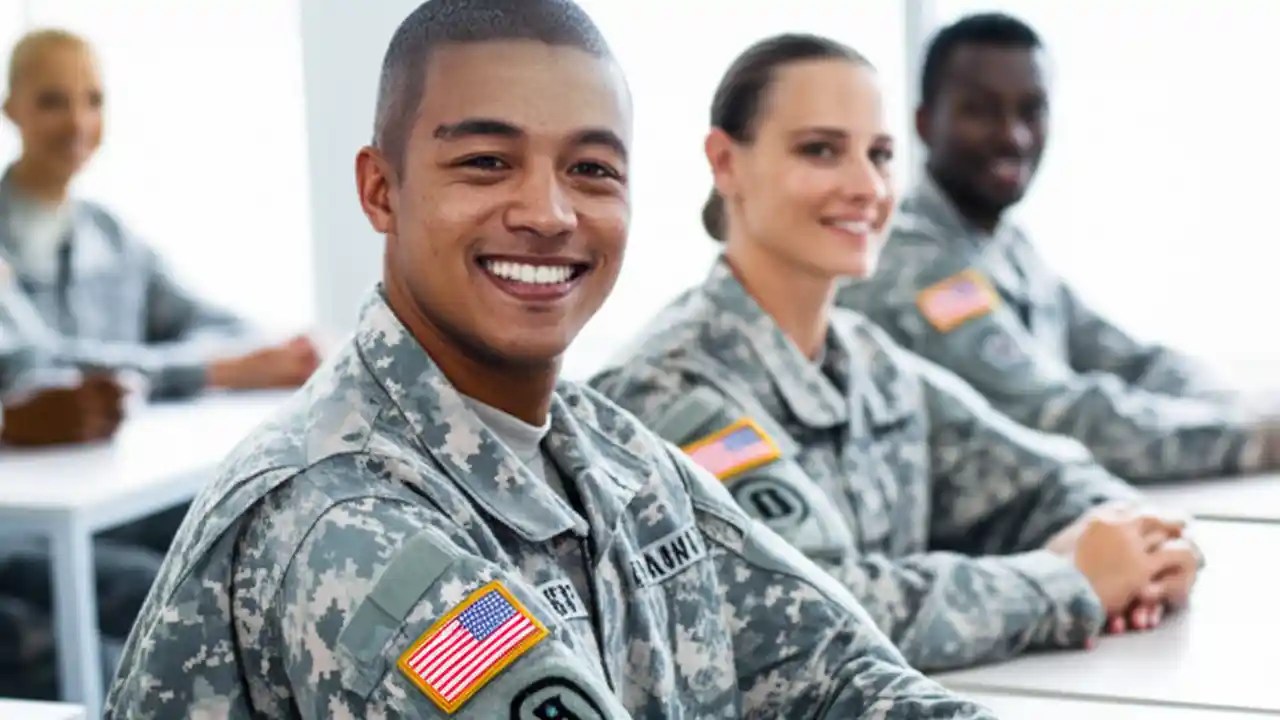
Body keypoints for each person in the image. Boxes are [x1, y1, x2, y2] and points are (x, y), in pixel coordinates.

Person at [105, 2, 994, 717]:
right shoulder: (347, 518)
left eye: (592, 170)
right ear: (382, 189)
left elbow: (838, 672)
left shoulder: (614, 461)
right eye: (487, 162)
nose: (549, 212)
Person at [590, 33, 1202, 673]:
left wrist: (1148, 550)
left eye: (880, 155)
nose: (867, 186)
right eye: (821, 150)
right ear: (725, 162)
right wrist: (1069, 582)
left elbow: (1056, 479)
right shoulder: (662, 391)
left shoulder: (873, 364)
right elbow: (815, 612)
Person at [835, 13, 1280, 483]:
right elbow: (1058, 418)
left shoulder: (1006, 246)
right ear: (925, 123)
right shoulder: (914, 263)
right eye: (981, 110)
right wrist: (1256, 438)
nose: (1013, 135)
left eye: (1031, 110)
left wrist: (1241, 408)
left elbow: (1133, 361)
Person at [1, 29, 320, 401]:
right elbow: (28, 367)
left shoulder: (111, 235)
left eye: (93, 100)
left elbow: (220, 326)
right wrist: (211, 371)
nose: (77, 123)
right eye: (53, 102)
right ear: (11, 110)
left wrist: (282, 352)